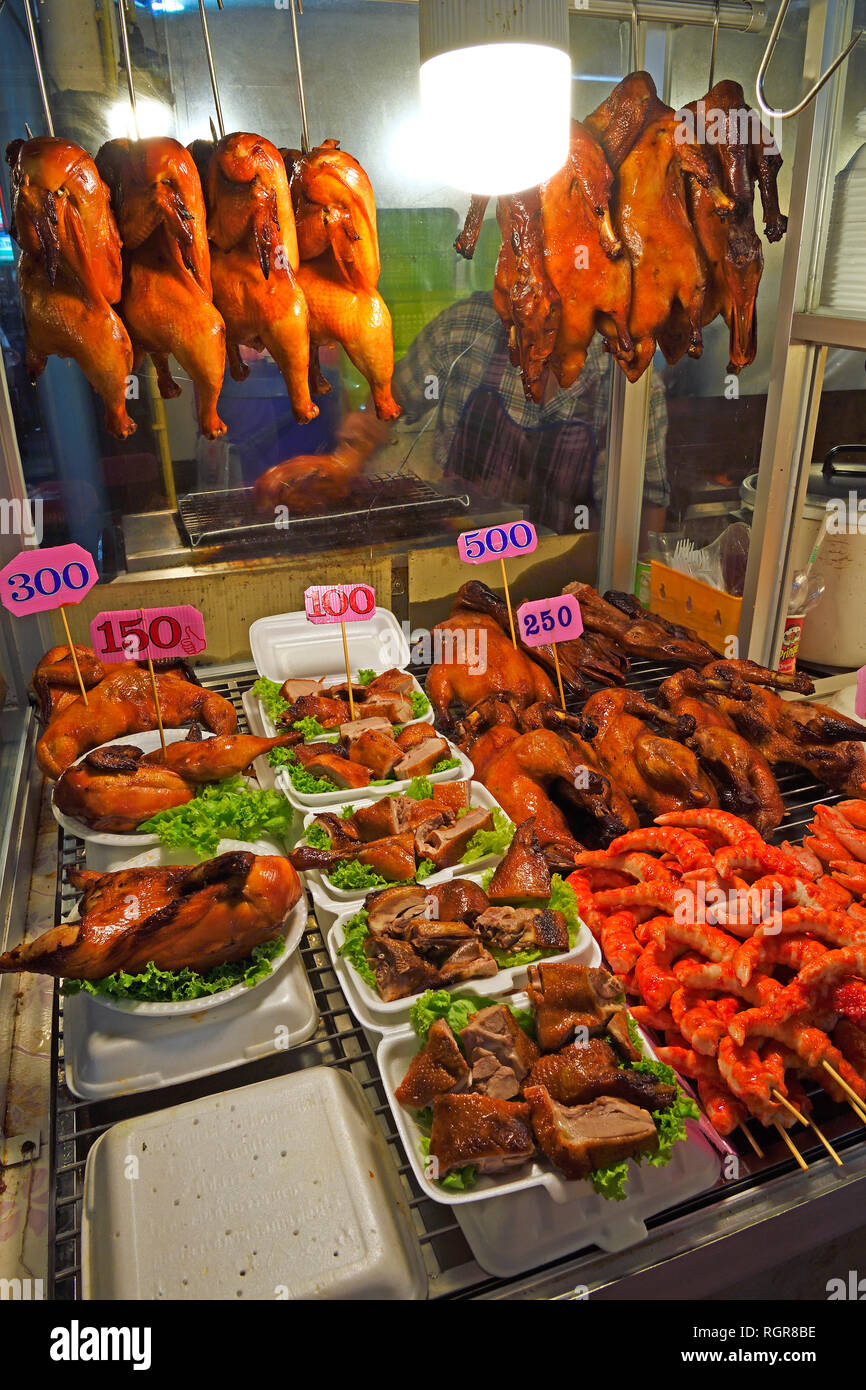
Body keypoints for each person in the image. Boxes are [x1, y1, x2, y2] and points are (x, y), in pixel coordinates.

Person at [280, 290, 670, 537]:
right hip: (450, 553)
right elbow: (387, 407)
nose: (539, 311)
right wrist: (349, 456)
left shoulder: (626, 378)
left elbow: (644, 509)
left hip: (563, 583)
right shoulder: (467, 328)